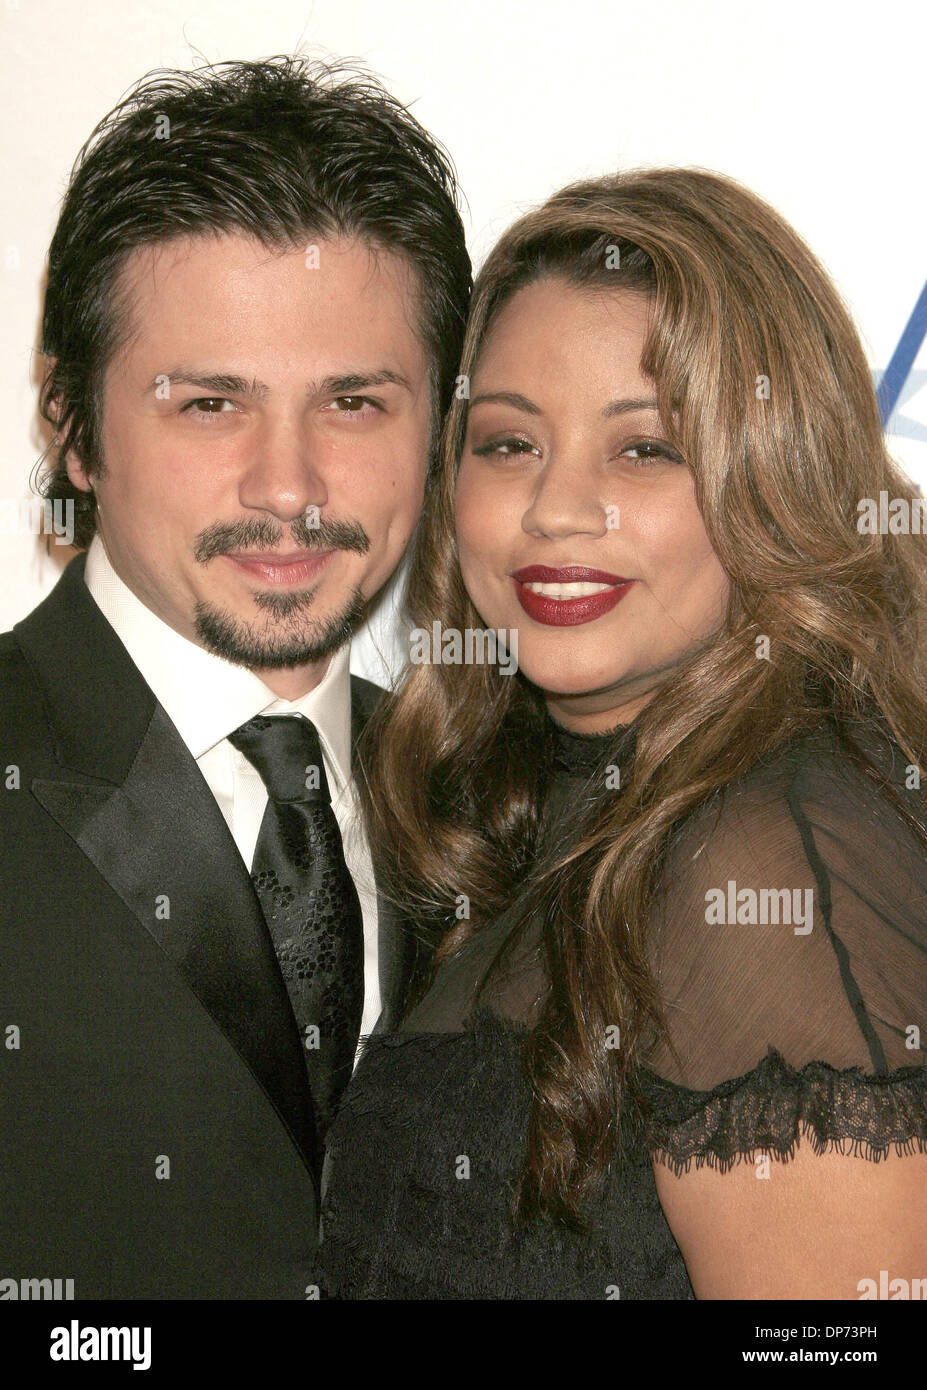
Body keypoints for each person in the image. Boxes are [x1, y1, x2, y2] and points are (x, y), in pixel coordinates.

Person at [319, 168, 927, 1299]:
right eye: (508, 443)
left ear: (776, 472)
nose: (557, 508)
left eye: (644, 448)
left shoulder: (768, 867)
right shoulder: (529, 804)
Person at [0, 56, 470, 1298]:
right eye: (211, 403)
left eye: (356, 402)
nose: (289, 485)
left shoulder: (499, 806)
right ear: (74, 427)